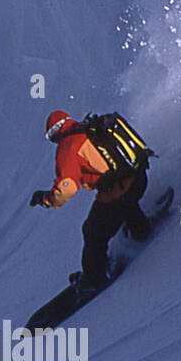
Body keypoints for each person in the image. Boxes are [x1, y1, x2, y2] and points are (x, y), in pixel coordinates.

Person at [30, 110, 151, 288]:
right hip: (139, 177)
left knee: (92, 231)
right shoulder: (89, 128)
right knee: (122, 204)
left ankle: (94, 279)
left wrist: (47, 199)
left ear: (55, 132)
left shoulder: (68, 146)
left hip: (119, 191)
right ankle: (141, 229)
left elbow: (67, 188)